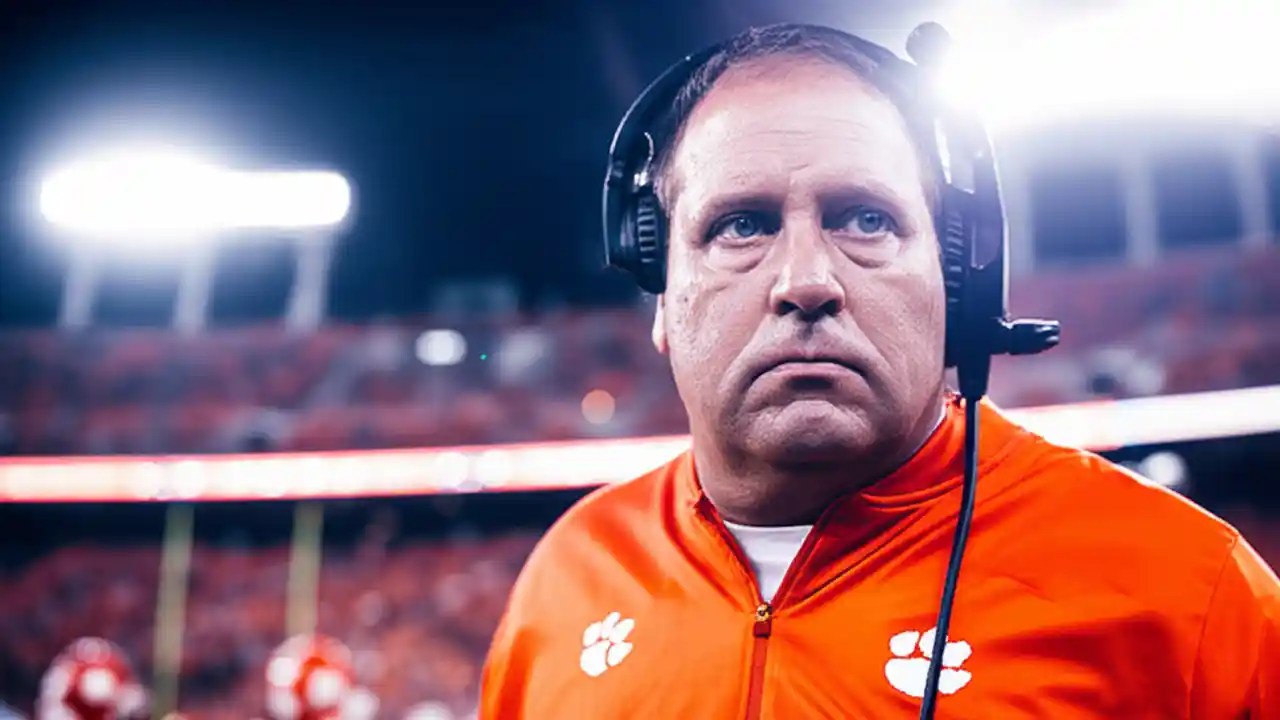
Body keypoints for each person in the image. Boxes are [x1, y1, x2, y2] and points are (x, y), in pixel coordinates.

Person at [480, 23, 1280, 718]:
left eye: (866, 219)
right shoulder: (564, 585)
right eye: (741, 226)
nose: (805, 281)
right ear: (662, 296)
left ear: (957, 283)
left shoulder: (1192, 594)